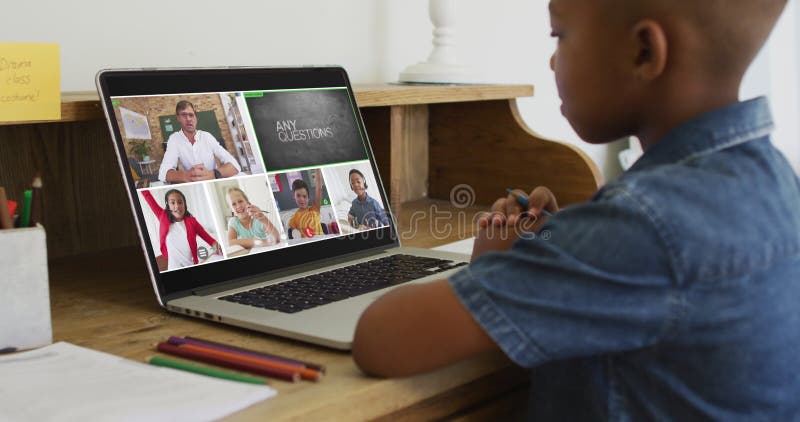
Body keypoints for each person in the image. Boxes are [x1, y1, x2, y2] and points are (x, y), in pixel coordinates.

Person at [352, 0, 800, 419]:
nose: (551, 60)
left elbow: (381, 339)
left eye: (559, 35)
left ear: (644, 51)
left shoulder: (642, 225)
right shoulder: (775, 179)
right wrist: (566, 241)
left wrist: (503, 264)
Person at [157, 100, 241, 183]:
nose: (188, 119)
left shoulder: (207, 136)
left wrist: (213, 174)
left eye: (191, 115)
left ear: (196, 118)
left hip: (213, 181)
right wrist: (185, 176)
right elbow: (163, 173)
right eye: (184, 115)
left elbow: (235, 165)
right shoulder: (174, 139)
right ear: (178, 118)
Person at [141, 189, 221, 270]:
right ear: (168, 206)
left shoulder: (192, 222)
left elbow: (209, 239)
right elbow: (147, 196)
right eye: (172, 203)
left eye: (180, 202)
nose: (177, 206)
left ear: (184, 205)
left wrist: (218, 248)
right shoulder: (163, 216)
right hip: (173, 268)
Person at [288, 169, 324, 238]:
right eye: (298, 195)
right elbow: (297, 238)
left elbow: (319, 188)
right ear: (294, 196)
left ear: (308, 198)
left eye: (304, 196)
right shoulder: (293, 220)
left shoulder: (315, 209)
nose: (302, 199)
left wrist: (318, 169)